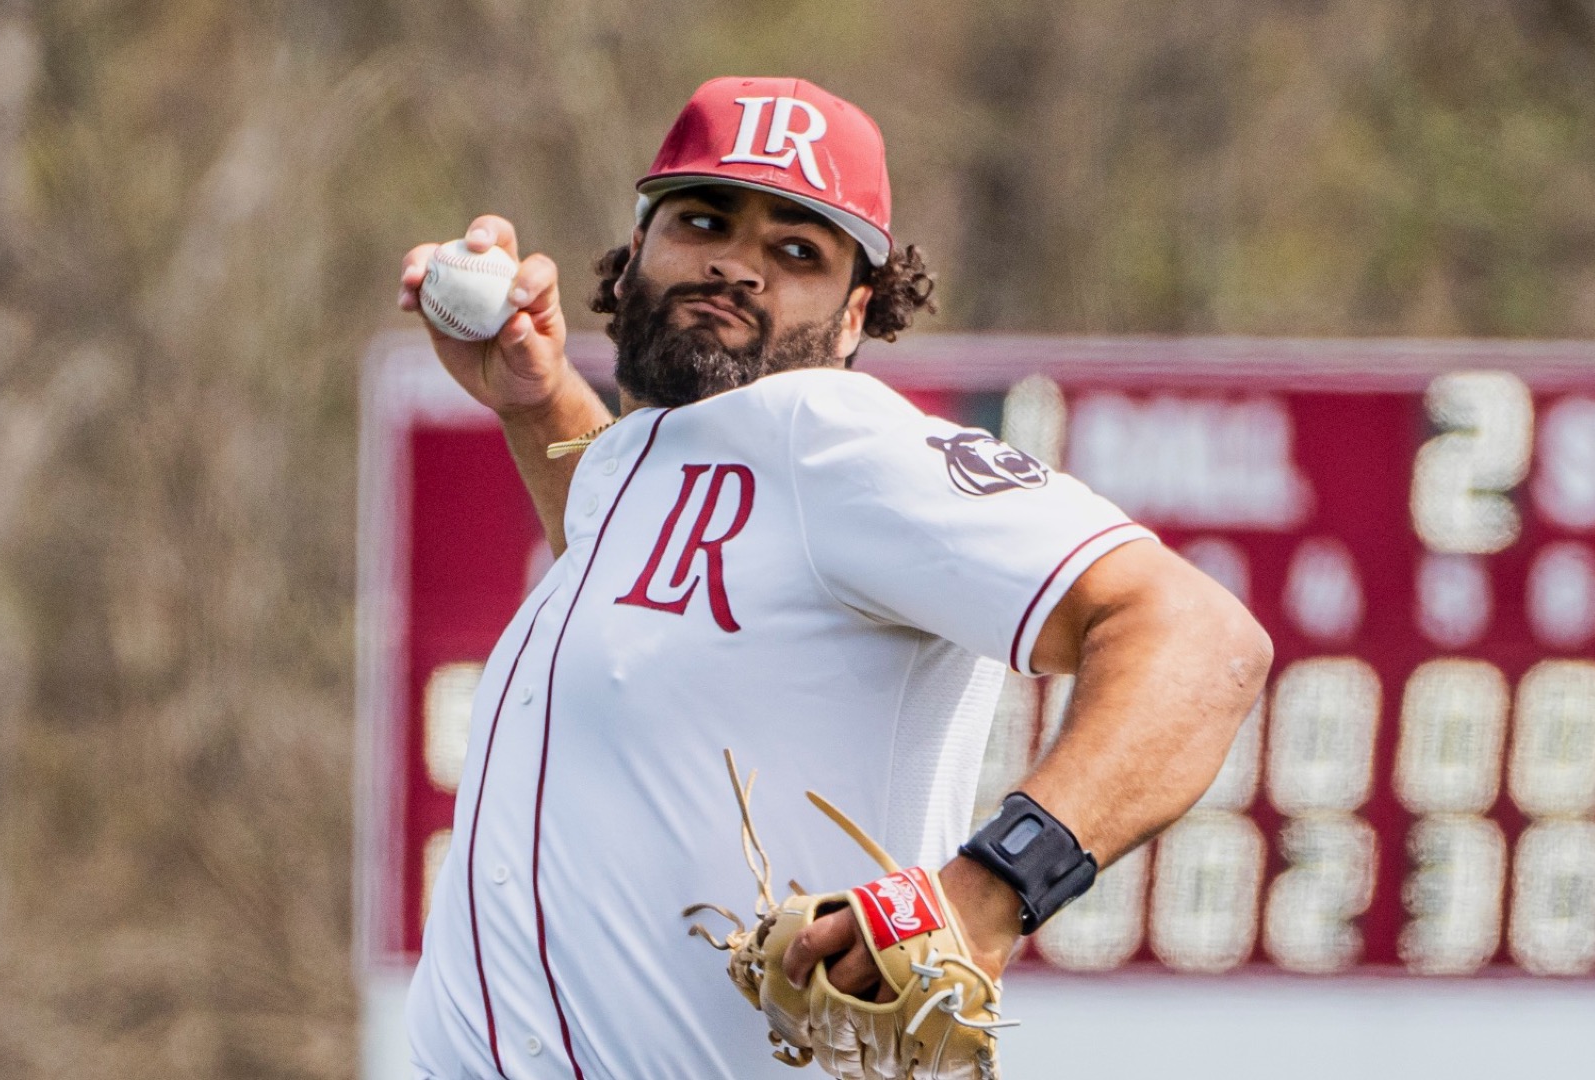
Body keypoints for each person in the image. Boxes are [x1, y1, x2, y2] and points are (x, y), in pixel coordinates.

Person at [394, 76, 1272, 1079]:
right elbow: (634, 581)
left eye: (797, 250)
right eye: (702, 219)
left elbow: (1199, 637)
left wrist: (981, 896)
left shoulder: (831, 439)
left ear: (856, 315)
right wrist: (536, 400)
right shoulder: (657, 466)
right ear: (635, 251)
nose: (737, 264)